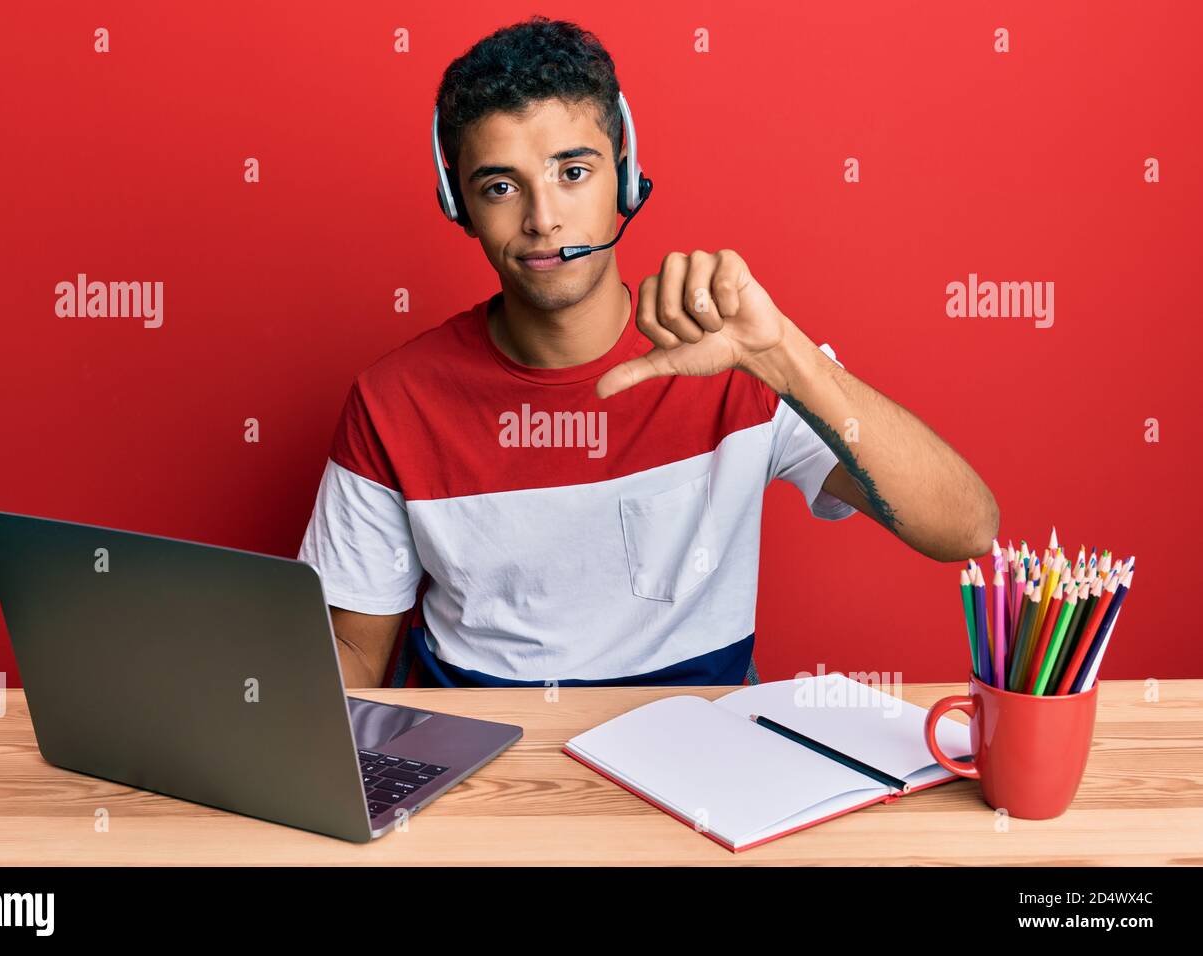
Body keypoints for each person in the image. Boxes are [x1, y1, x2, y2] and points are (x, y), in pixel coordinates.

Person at [298, 16, 998, 688]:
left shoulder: (741, 357)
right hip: (489, 765)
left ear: (626, 178)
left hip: (697, 758)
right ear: (460, 204)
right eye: (502, 187)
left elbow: (966, 529)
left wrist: (786, 355)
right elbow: (354, 659)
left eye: (573, 173)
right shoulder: (393, 402)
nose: (543, 220)